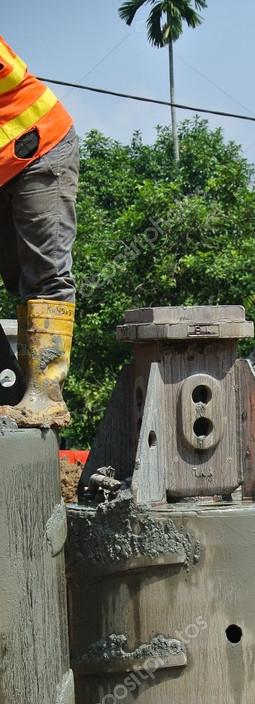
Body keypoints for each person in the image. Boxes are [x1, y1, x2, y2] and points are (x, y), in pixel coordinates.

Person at [0, 35, 78, 429]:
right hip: (3, 165)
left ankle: (46, 395)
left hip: (39, 146)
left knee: (44, 275)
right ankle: (15, 391)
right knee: (16, 278)